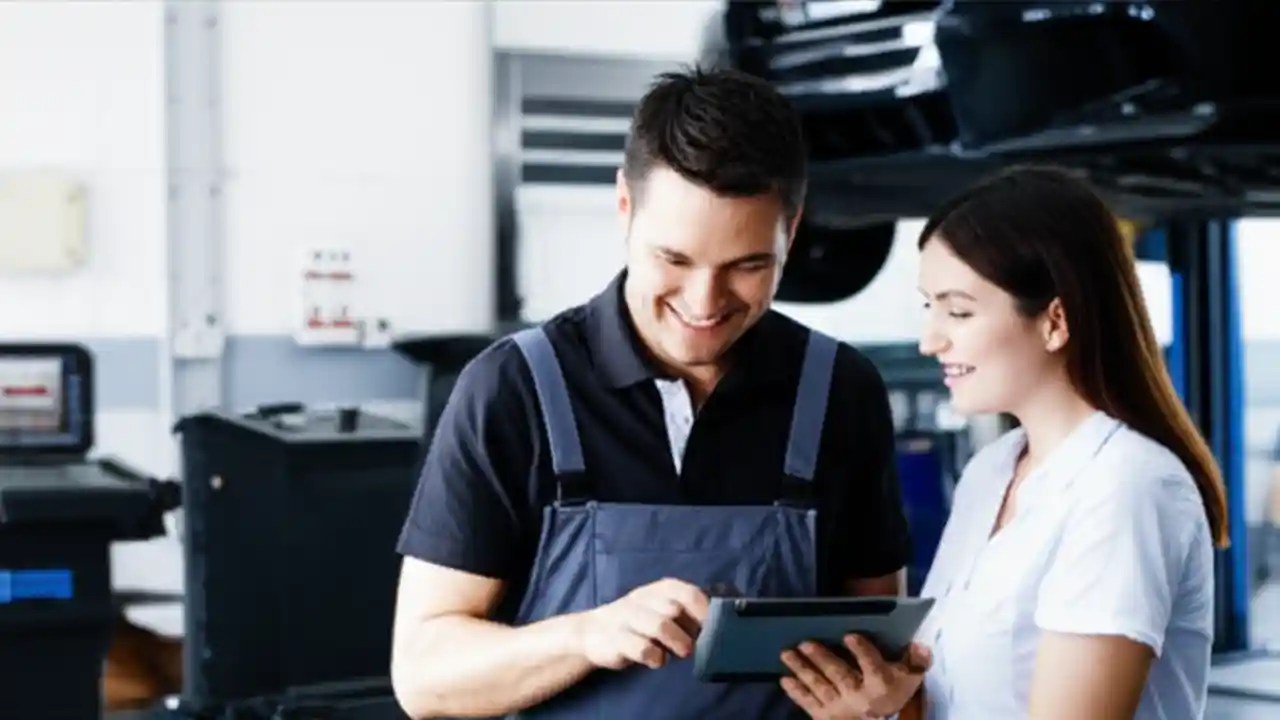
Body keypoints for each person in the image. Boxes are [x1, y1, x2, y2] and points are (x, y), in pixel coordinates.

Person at [388, 66, 928, 720]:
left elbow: (885, 665)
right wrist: (584, 635)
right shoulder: (513, 389)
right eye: (673, 260)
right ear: (624, 205)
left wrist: (883, 705)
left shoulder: (842, 393)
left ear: (794, 225)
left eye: (748, 266)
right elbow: (423, 676)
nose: (704, 303)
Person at [781, 166, 1229, 719]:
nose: (930, 340)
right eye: (930, 307)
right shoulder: (992, 470)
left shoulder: (1127, 486)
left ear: (1055, 320)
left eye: (959, 311)